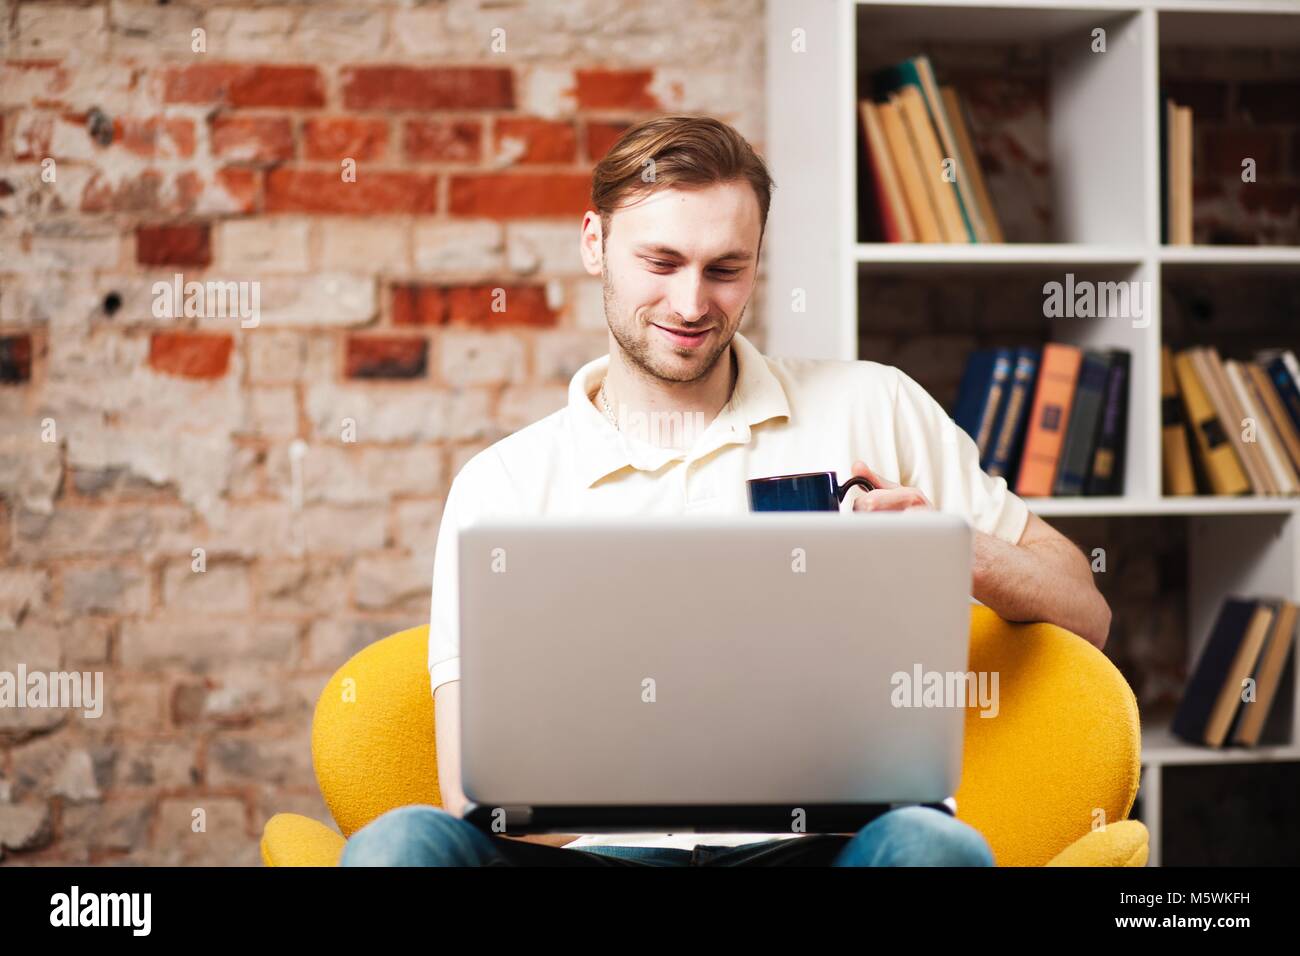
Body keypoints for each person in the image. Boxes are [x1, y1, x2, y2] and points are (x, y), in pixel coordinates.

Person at [341, 114, 1112, 867]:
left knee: (933, 845)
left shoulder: (874, 405)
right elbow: (471, 795)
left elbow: (1090, 611)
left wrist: (953, 550)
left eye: (725, 269)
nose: (690, 304)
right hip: (591, 855)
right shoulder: (502, 484)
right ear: (594, 244)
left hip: (817, 849)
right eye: (661, 261)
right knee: (397, 846)